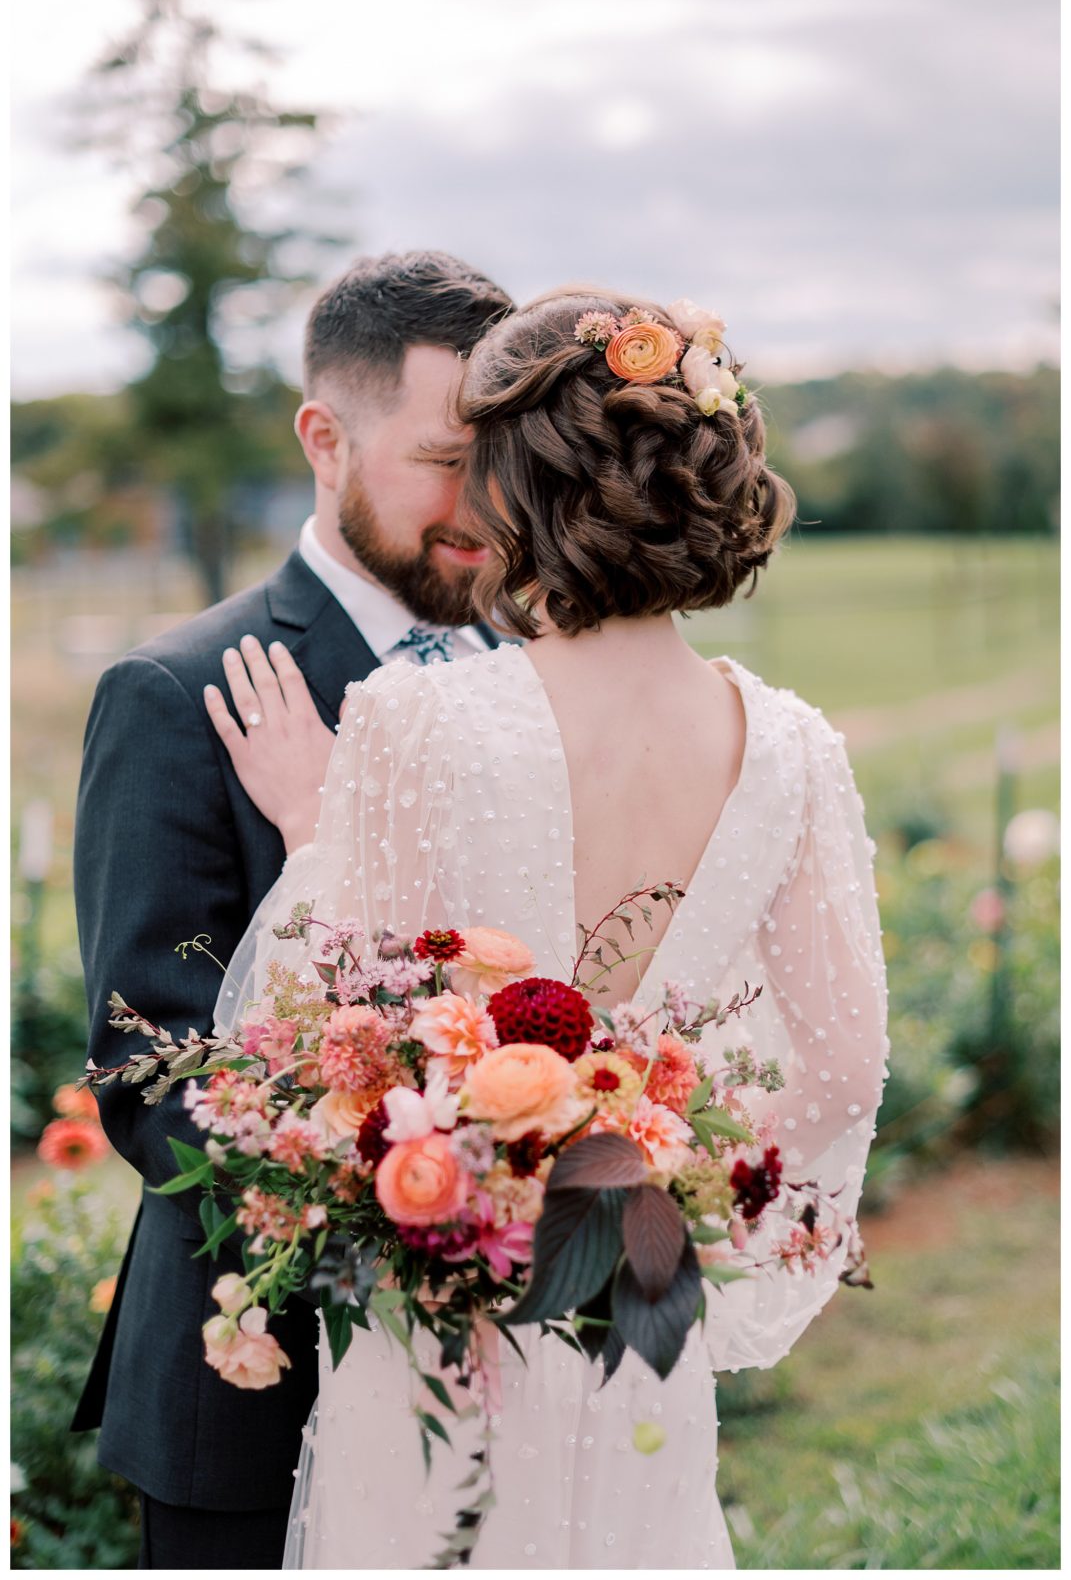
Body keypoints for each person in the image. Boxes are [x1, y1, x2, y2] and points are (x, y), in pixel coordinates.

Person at [207, 287, 892, 1569]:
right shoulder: (792, 747)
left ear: (520, 485)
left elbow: (336, 1023)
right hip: (641, 1300)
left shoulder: (424, 722)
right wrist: (664, 1199)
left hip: (449, 1314)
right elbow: (846, 1066)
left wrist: (313, 826)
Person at [71, 248, 513, 1570]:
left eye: (508, 458)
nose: (484, 503)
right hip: (258, 1392)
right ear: (323, 438)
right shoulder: (175, 693)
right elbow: (154, 1081)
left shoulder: (539, 675)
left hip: (512, 1380)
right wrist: (435, 1197)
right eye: (445, 458)